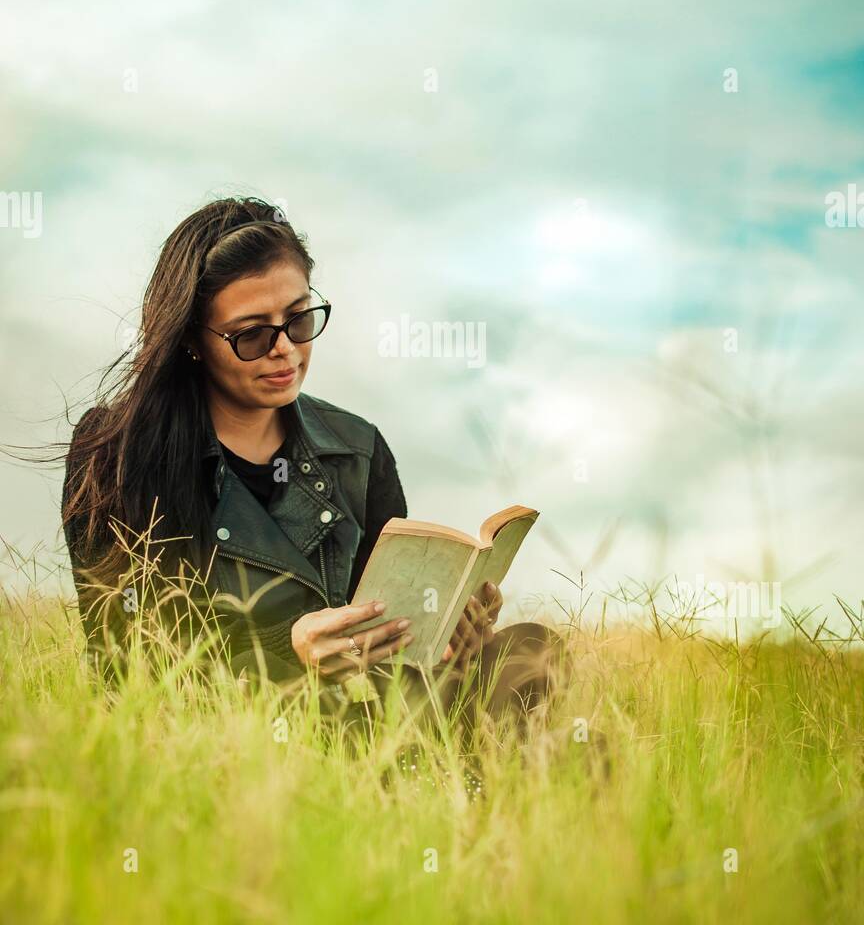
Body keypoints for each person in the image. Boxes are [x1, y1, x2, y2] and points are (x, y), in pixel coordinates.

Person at [61, 196, 569, 739]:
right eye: (252, 334)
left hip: (371, 711)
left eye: (299, 320)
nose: (285, 351)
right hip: (244, 733)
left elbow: (386, 636)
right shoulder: (117, 453)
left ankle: (456, 767)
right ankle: (461, 770)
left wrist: (445, 633)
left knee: (532, 650)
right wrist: (292, 650)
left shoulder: (358, 448)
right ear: (191, 339)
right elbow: (128, 663)